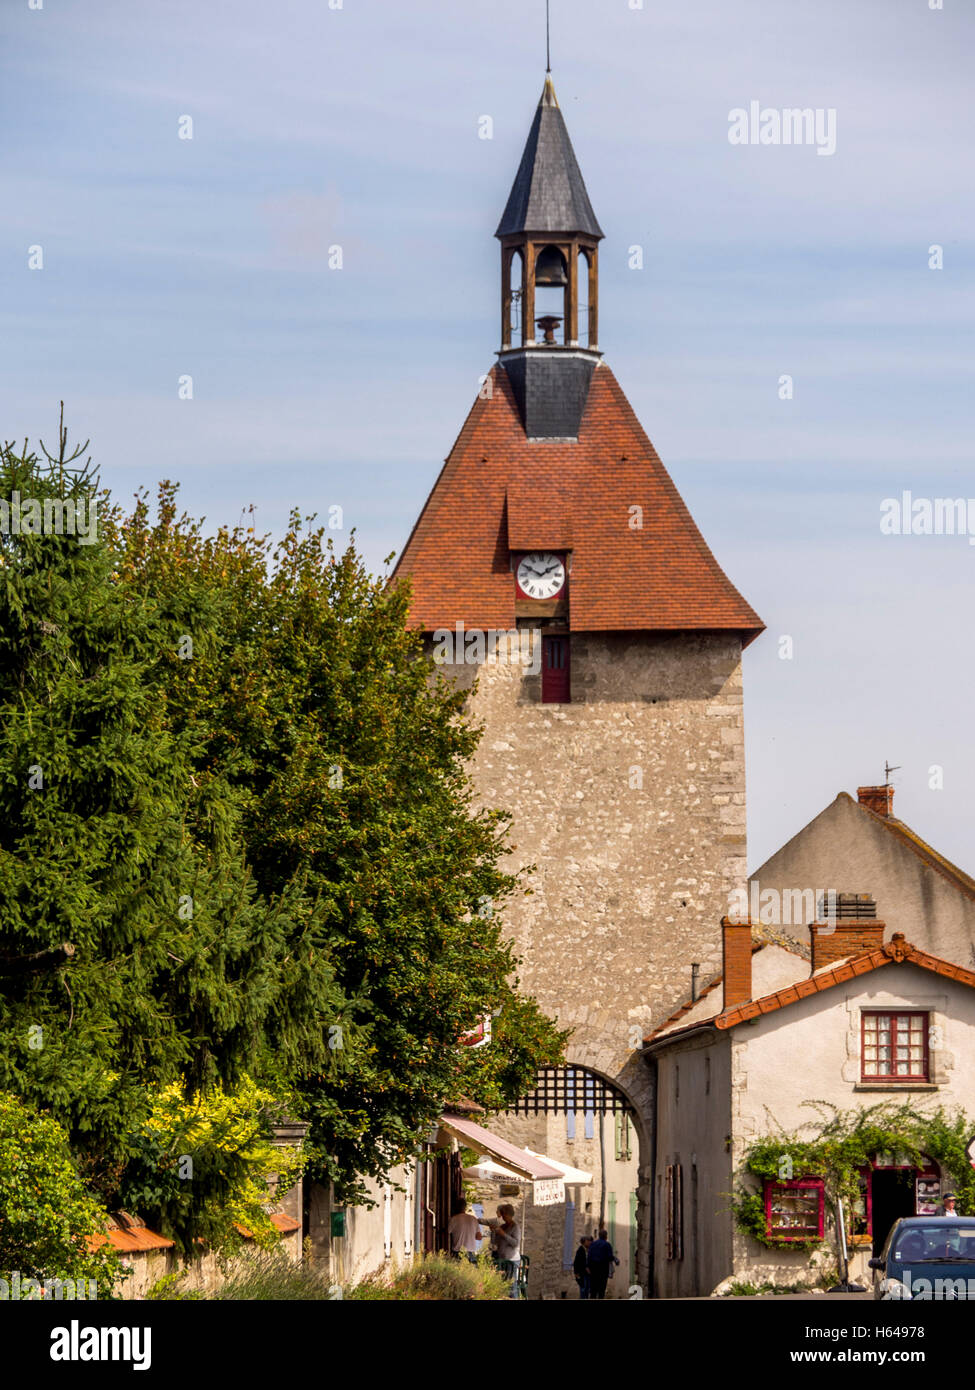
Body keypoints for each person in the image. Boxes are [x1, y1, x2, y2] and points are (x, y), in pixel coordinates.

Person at [491, 1204, 521, 1298]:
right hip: (502, 1260)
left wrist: (503, 1234)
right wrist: (493, 1232)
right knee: (503, 1285)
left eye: (504, 1215)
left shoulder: (515, 1227)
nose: (503, 1217)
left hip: (512, 1260)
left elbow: (515, 1243)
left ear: (509, 1215)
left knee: (512, 1285)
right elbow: (495, 1242)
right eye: (502, 1214)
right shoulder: (503, 1226)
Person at [586, 1229, 619, 1300]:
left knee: (593, 1290)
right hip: (603, 1270)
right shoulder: (607, 1245)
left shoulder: (593, 1244)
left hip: (593, 1270)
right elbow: (609, 1257)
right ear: (606, 1236)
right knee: (601, 1290)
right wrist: (615, 1259)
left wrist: (588, 1266)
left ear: (599, 1235)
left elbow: (589, 1256)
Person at [447, 1196, 482, 1262]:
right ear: (465, 1207)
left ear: (454, 1207)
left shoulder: (453, 1219)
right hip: (471, 1252)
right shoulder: (473, 1219)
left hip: (458, 1252)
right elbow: (479, 1237)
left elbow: (447, 1233)